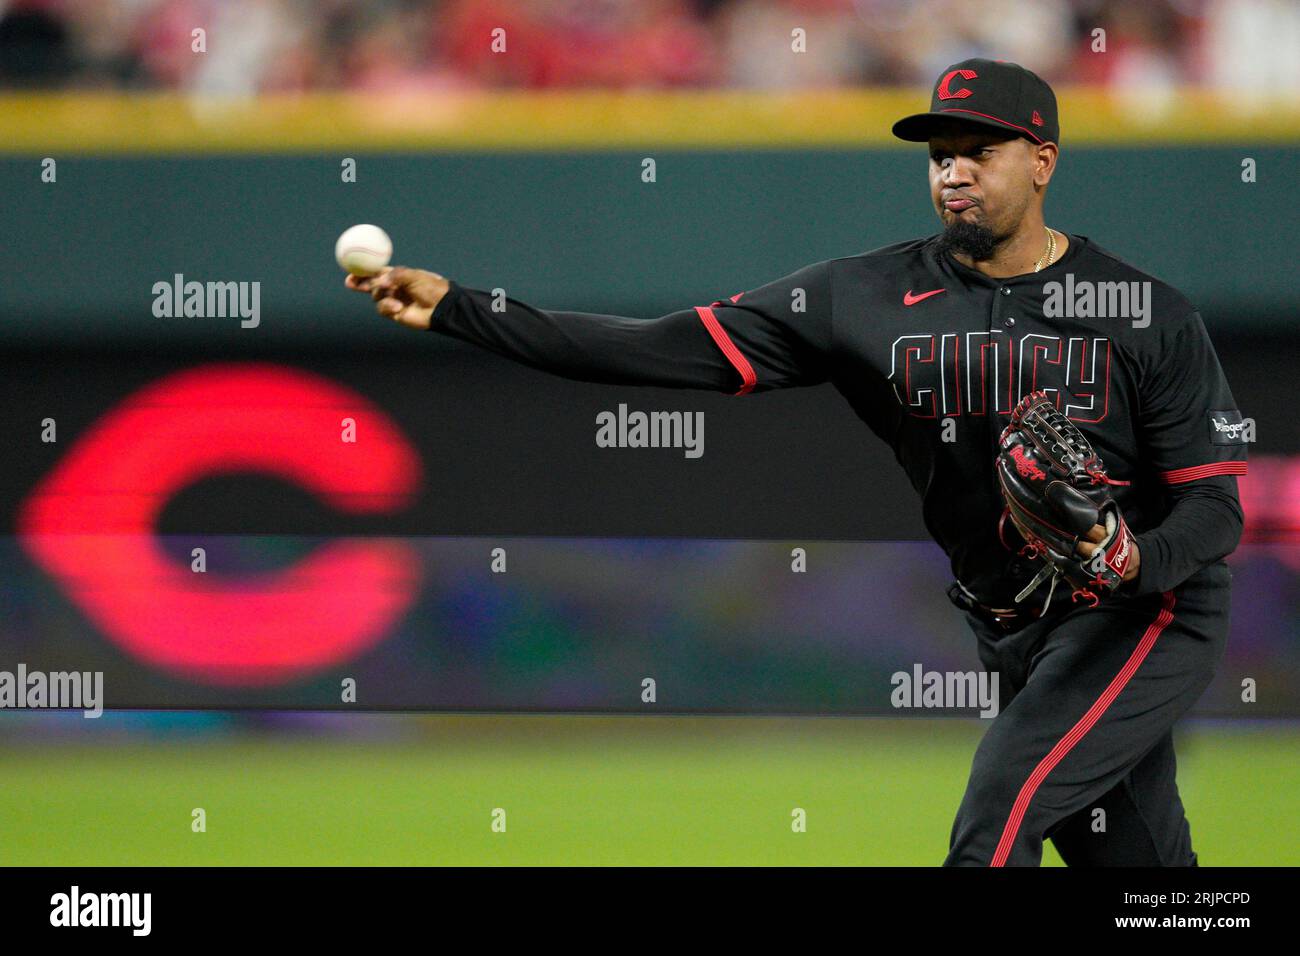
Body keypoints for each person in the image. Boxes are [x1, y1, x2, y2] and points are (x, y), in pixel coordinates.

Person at [346, 59, 1248, 866]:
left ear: (1043, 160)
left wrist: (1135, 560)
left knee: (997, 820)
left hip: (1145, 614)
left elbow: (1215, 510)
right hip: (1013, 622)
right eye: (940, 154)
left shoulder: (1142, 311)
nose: (955, 171)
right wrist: (465, 309)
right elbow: (663, 347)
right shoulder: (860, 297)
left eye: (982, 149)